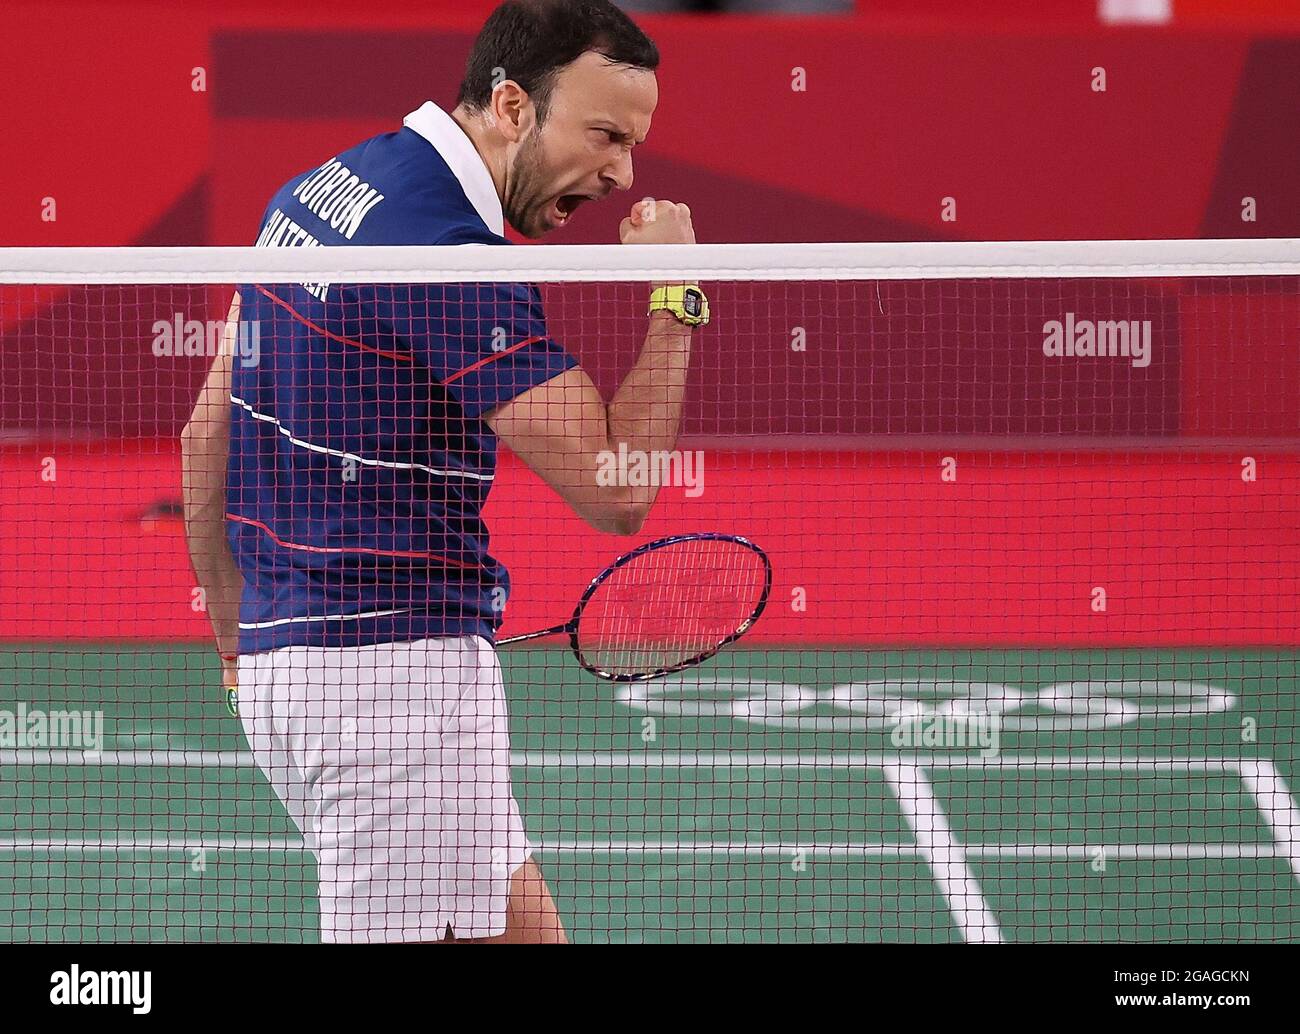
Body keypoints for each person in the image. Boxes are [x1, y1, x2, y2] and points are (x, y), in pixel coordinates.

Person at [181, 0, 710, 943]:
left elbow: (203, 435)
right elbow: (617, 487)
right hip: (393, 703)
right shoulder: (451, 258)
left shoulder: (319, 189)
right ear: (512, 107)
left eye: (633, 143)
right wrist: (678, 301)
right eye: (604, 134)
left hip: (290, 672)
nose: (625, 172)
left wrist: (235, 640)